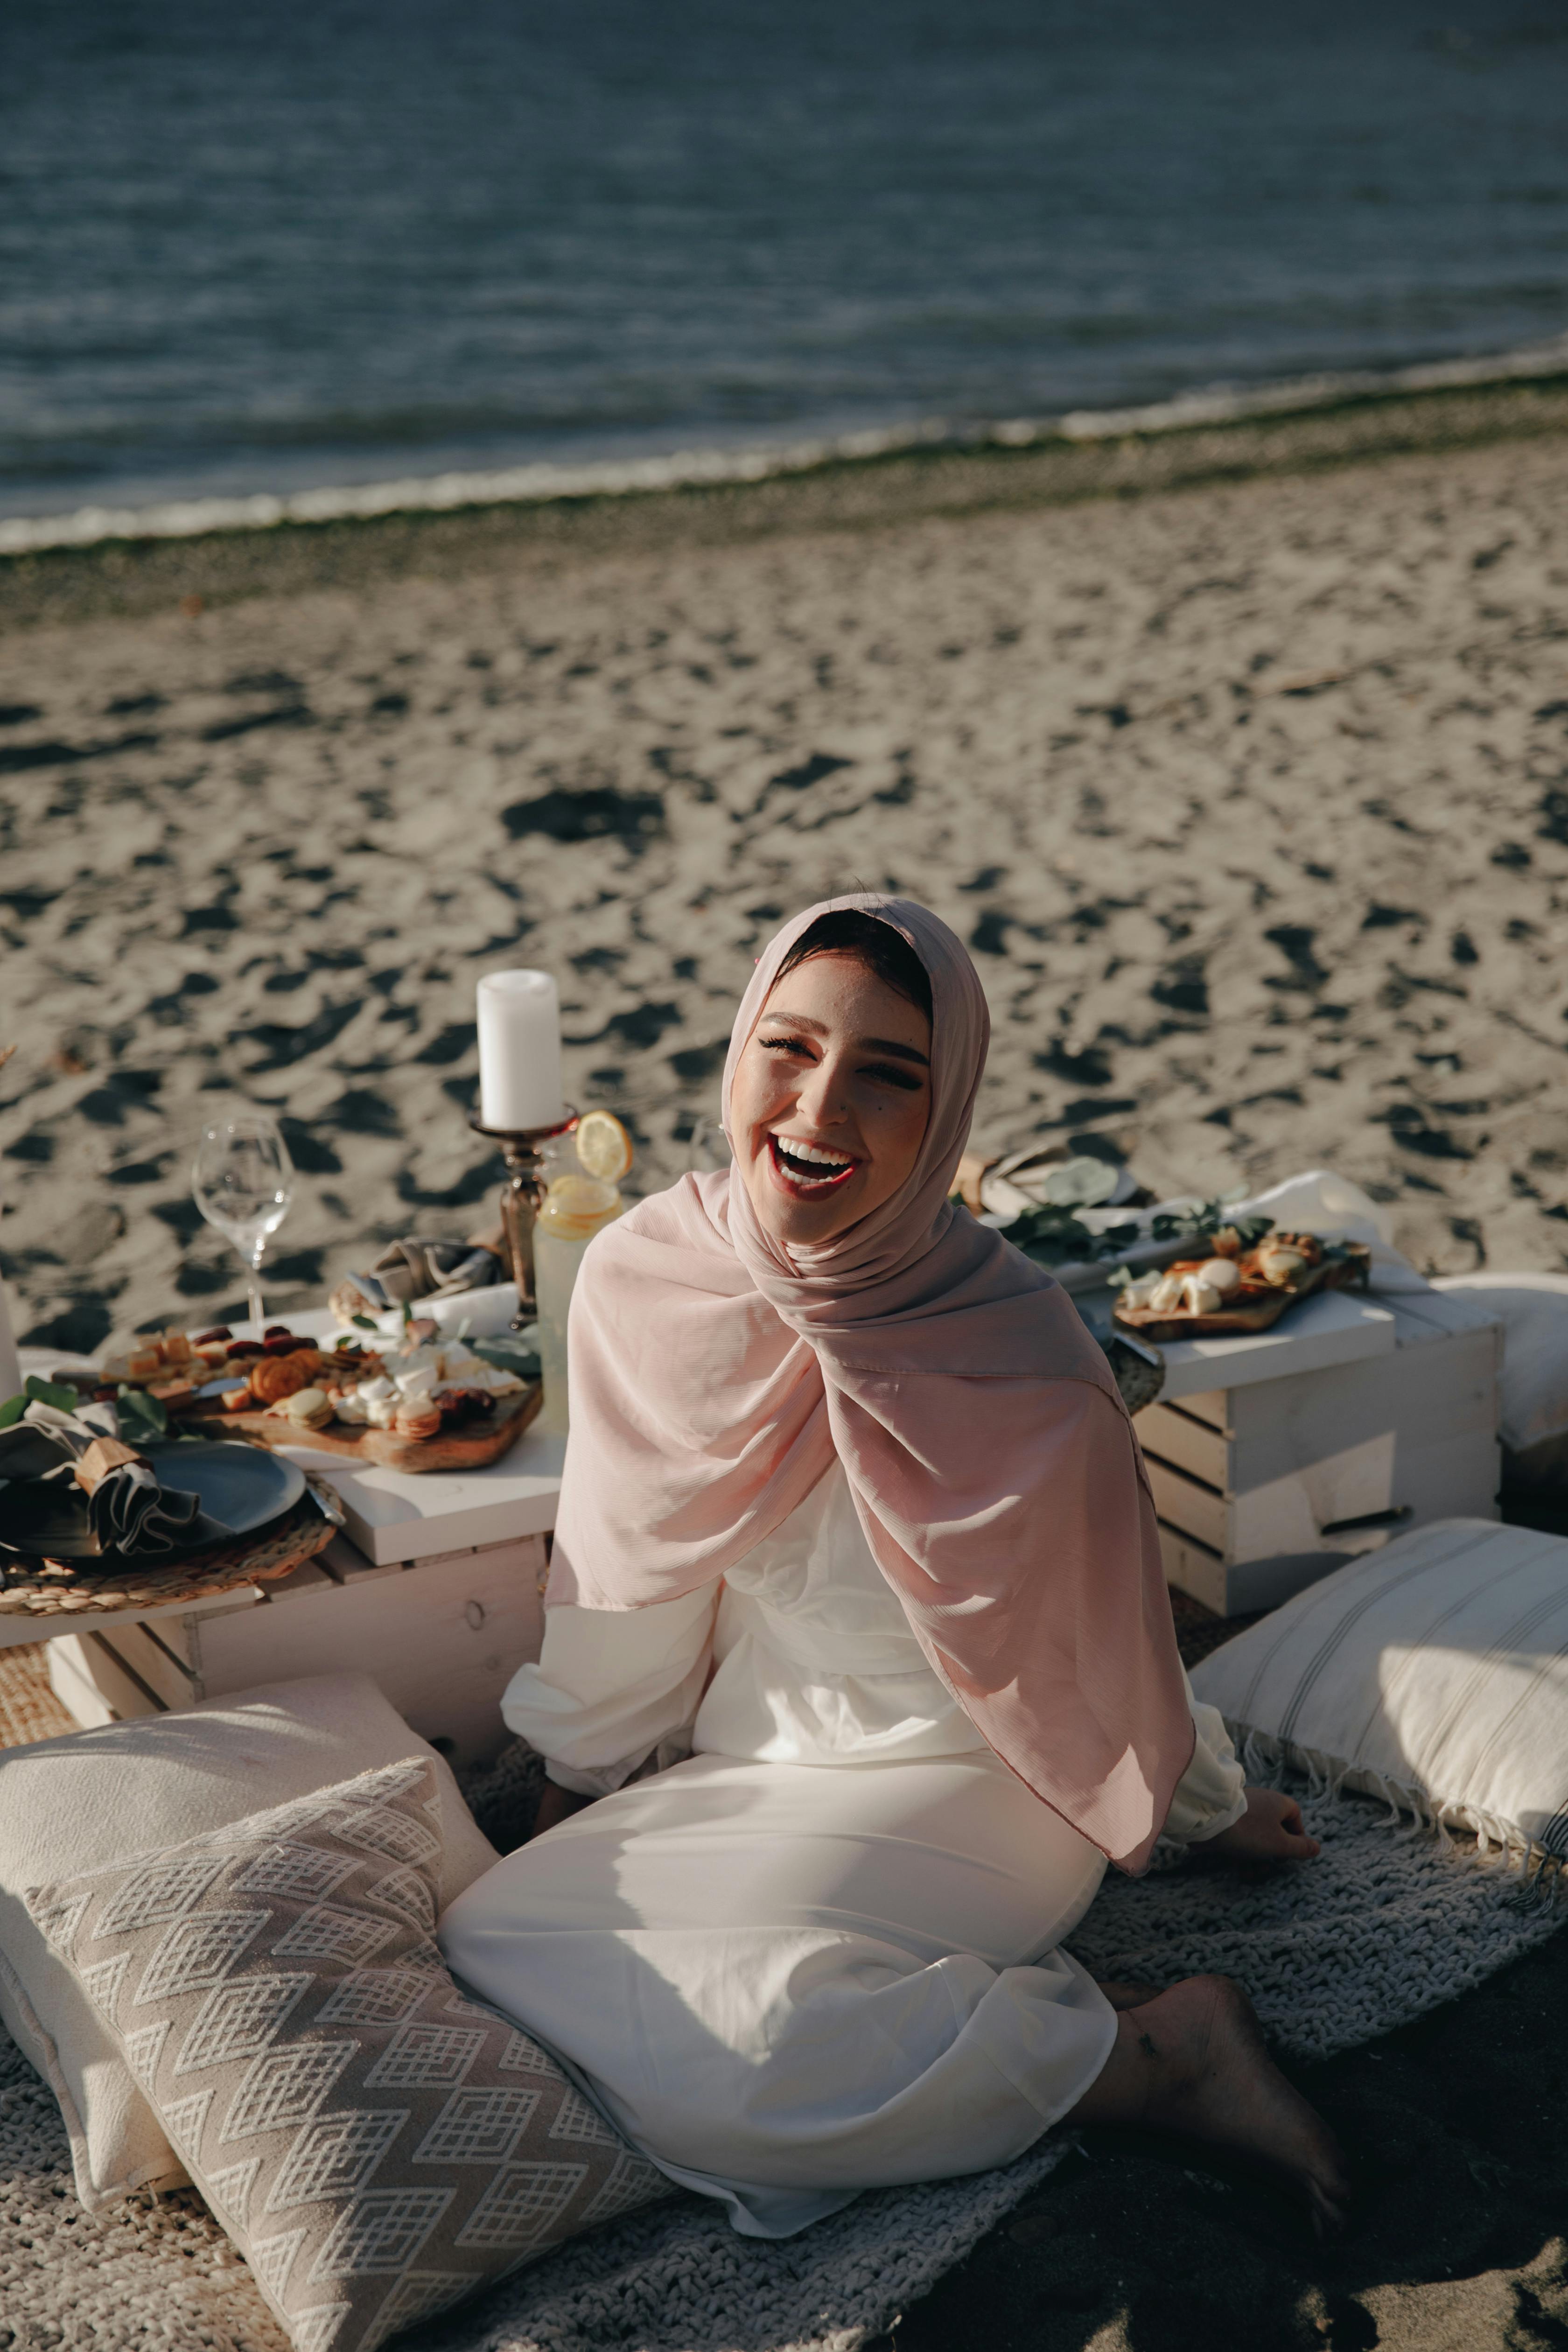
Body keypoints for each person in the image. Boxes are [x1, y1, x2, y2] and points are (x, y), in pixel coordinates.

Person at [439, 896, 1350, 2239]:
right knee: (489, 1937)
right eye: (790, 1050)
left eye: (888, 1075)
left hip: (983, 1779)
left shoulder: (1018, 1341)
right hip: (749, 1773)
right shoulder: (651, 1280)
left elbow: (1102, 1635)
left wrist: (1205, 1806)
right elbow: (628, 1588)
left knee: (756, 2045)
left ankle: (1157, 2057)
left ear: (948, 1114)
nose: (819, 1109)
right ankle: (1015, 2050)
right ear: (740, 1052)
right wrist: (575, 1791)